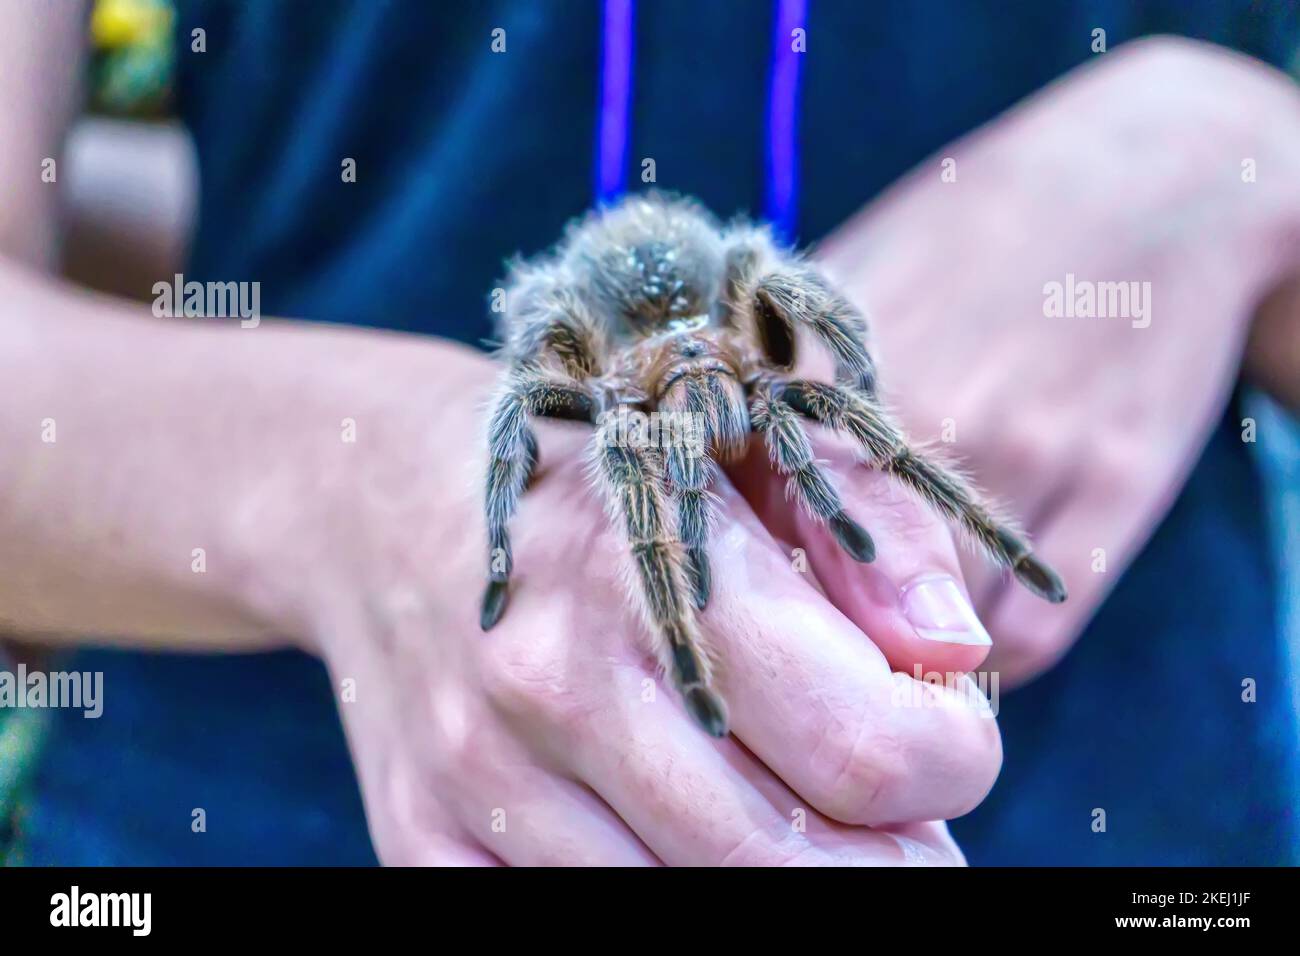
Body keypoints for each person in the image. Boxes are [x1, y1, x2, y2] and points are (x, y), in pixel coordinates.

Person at [1, 0, 1296, 865]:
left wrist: (1240, 157)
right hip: (254, 807)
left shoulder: (750, 326)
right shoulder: (588, 364)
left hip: (1123, 816)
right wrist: (377, 496)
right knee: (637, 464)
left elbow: (812, 364)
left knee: (820, 428)